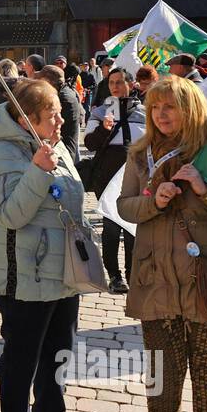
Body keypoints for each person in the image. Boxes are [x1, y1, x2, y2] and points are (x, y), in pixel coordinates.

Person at [117, 75, 207, 412]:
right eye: (155, 107)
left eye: (170, 106)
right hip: (156, 276)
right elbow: (124, 206)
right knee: (161, 366)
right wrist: (153, 200)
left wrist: (204, 189)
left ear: (191, 109)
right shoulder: (139, 153)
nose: (161, 114)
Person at [0, 79, 90, 412]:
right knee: (21, 358)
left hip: (63, 271)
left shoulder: (55, 143)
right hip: (25, 274)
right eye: (52, 116)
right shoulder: (2, 153)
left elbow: (71, 196)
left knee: (59, 349)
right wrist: (38, 171)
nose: (61, 121)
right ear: (27, 120)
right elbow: (9, 215)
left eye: (60, 113)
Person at [83, 68, 145, 293]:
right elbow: (89, 143)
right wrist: (103, 129)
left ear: (131, 83)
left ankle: (132, 274)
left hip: (136, 180)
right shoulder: (100, 112)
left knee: (132, 230)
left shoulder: (145, 113)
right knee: (110, 229)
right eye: (112, 83)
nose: (115, 86)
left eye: (120, 82)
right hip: (107, 179)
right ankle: (115, 276)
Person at [37, 65, 83, 164]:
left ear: (47, 81)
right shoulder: (66, 91)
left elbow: (56, 127)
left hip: (63, 152)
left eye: (41, 81)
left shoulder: (62, 98)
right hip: (64, 148)